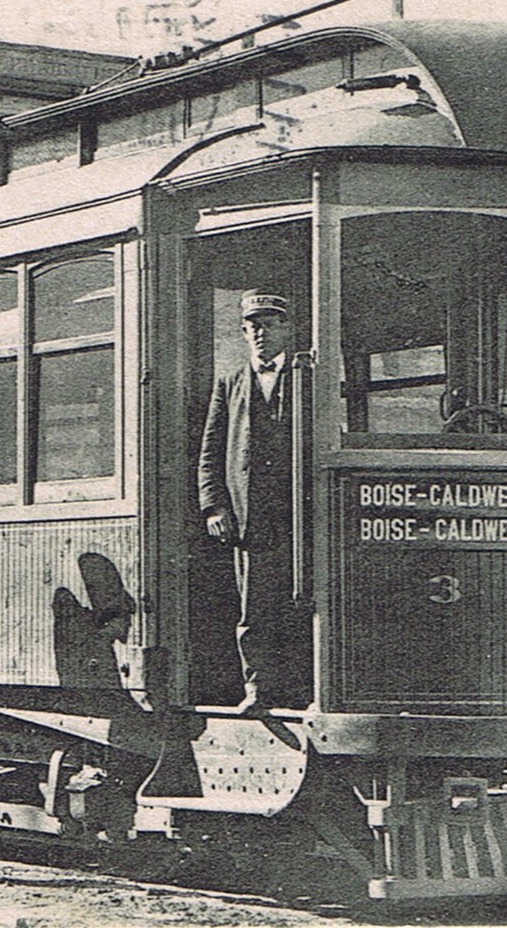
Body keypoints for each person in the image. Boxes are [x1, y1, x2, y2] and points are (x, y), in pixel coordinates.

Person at [197, 290, 309, 712]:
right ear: (244, 334)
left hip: (302, 514)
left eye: (270, 325)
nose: (261, 334)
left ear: (287, 329)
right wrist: (214, 507)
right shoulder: (230, 382)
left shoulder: (307, 376)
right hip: (250, 518)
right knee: (255, 608)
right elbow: (210, 451)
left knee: (303, 600)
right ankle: (258, 689)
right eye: (253, 327)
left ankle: (302, 688)